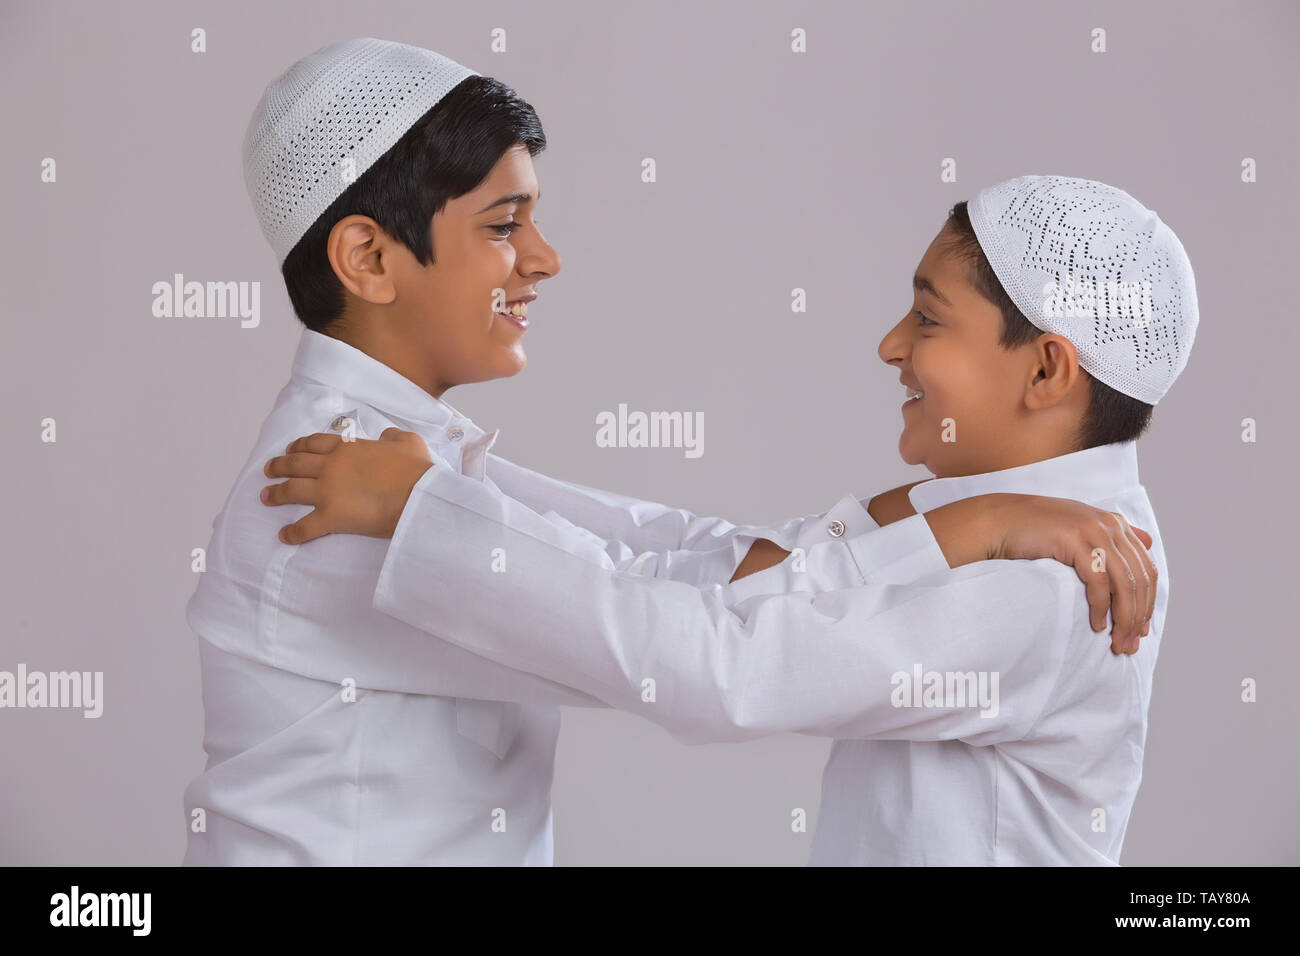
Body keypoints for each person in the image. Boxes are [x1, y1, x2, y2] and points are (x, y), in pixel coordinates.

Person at [186, 34, 1151, 866]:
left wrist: (956, 523)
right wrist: (963, 524)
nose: (545, 258)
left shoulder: (390, 474)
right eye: (504, 224)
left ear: (1047, 371)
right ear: (367, 258)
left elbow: (666, 571)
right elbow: (688, 644)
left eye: (928, 318)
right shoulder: (323, 498)